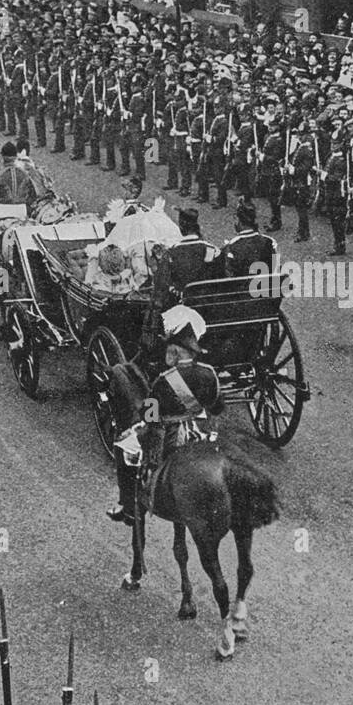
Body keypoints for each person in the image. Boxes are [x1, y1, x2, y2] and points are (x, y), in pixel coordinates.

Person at [105, 305, 223, 527]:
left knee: (122, 445)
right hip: (202, 437)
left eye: (170, 347)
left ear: (176, 351)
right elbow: (217, 409)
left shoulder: (163, 381)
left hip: (170, 438)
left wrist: (152, 458)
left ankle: (129, 508)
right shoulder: (210, 373)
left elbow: (151, 420)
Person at [221, 200, 277, 278]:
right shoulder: (270, 241)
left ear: (238, 221)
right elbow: (275, 268)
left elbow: (229, 274)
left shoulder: (230, 246)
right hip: (267, 287)